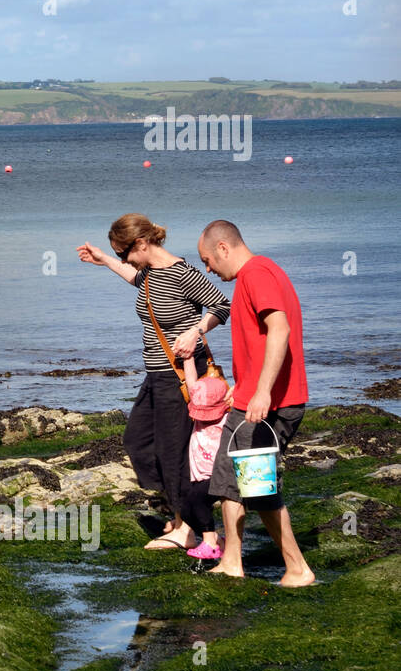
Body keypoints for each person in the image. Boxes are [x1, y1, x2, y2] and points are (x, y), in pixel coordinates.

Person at [78, 213, 231, 550]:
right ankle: (180, 512)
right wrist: (104, 261)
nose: (123, 259)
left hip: (180, 374)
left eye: (123, 252)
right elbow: (137, 279)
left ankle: (187, 527)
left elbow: (222, 305)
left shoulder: (181, 274)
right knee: (138, 442)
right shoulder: (150, 273)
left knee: (172, 451)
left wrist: (196, 331)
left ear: (142, 244)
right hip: (156, 374)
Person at [192, 220, 314, 586]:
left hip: (272, 403)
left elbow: (280, 329)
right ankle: (231, 560)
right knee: (228, 482)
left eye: (208, 261)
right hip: (250, 401)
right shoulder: (259, 273)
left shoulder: (257, 273)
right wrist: (244, 387)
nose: (208, 269)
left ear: (224, 248)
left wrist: (261, 391)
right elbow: (261, 341)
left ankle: (297, 568)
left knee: (258, 489)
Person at [180, 353, 228, 560]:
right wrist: (188, 358)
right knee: (187, 510)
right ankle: (218, 541)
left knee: (198, 502)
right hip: (198, 475)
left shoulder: (227, 417)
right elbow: (191, 381)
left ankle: (209, 543)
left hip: (217, 475)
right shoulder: (199, 401)